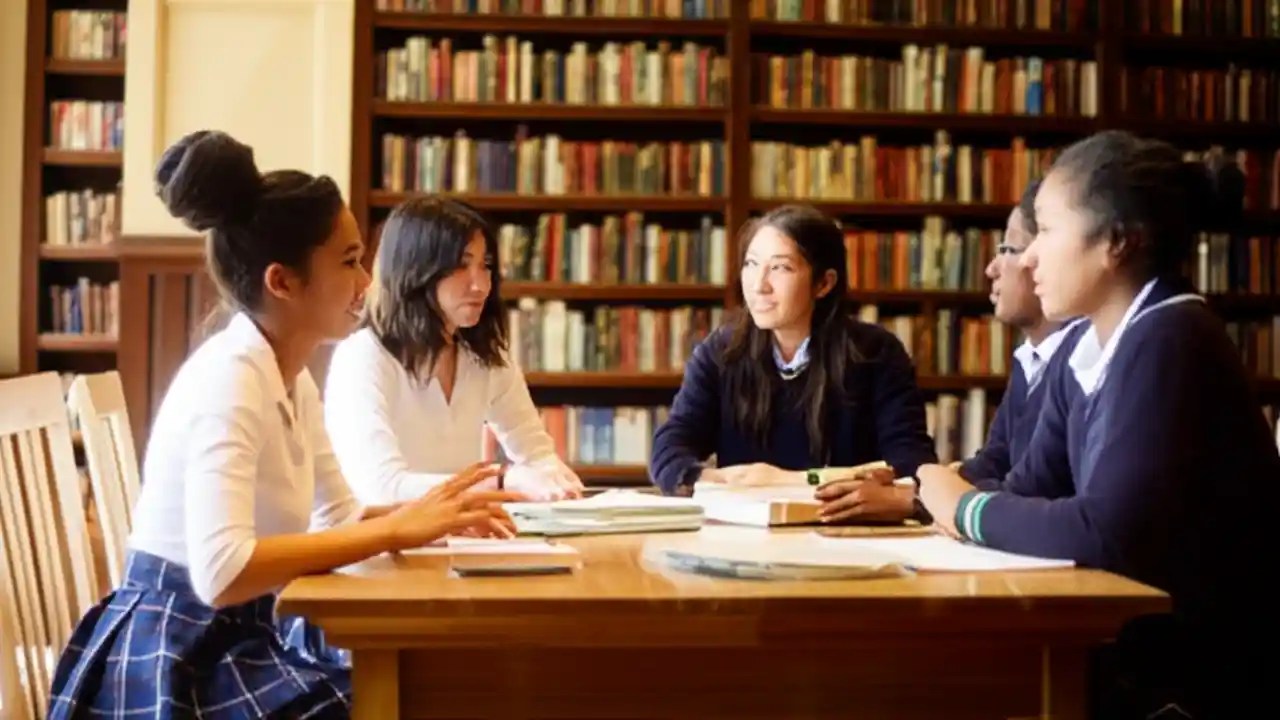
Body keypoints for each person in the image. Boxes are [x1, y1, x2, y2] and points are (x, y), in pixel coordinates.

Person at [46, 131, 520, 720]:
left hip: (237, 634)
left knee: (425, 685)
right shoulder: (231, 377)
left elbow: (339, 518)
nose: (367, 283)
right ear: (282, 281)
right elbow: (221, 573)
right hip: (177, 653)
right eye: (349, 262)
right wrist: (398, 529)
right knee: (401, 699)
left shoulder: (289, 376)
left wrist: (428, 517)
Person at [916, 130, 1277, 718]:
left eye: (1048, 231)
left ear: (1116, 243)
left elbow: (1106, 532)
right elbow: (1030, 484)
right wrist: (923, 498)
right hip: (1134, 655)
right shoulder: (1088, 344)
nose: (1027, 256)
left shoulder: (1171, 336)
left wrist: (962, 509)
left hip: (1199, 683)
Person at [649, 204, 937, 522]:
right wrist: (713, 482)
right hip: (745, 539)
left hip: (846, 535)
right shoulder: (721, 353)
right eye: (751, 264)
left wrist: (777, 480)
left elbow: (913, 467)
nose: (759, 285)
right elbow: (670, 451)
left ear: (823, 284)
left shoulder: (876, 354)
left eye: (781, 268)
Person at [323, 196, 584, 505]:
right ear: (415, 270)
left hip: (460, 539)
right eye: (462, 264)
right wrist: (500, 482)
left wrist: (555, 479)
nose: (480, 285)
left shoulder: (483, 357)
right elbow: (382, 489)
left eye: (485, 265)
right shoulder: (364, 357)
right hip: (379, 547)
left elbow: (538, 454)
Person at [956, 178, 1084, 483]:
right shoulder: (1031, 358)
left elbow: (1033, 487)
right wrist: (920, 486)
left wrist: (919, 496)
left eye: (1007, 248)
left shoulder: (1078, 361)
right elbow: (993, 463)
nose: (991, 268)